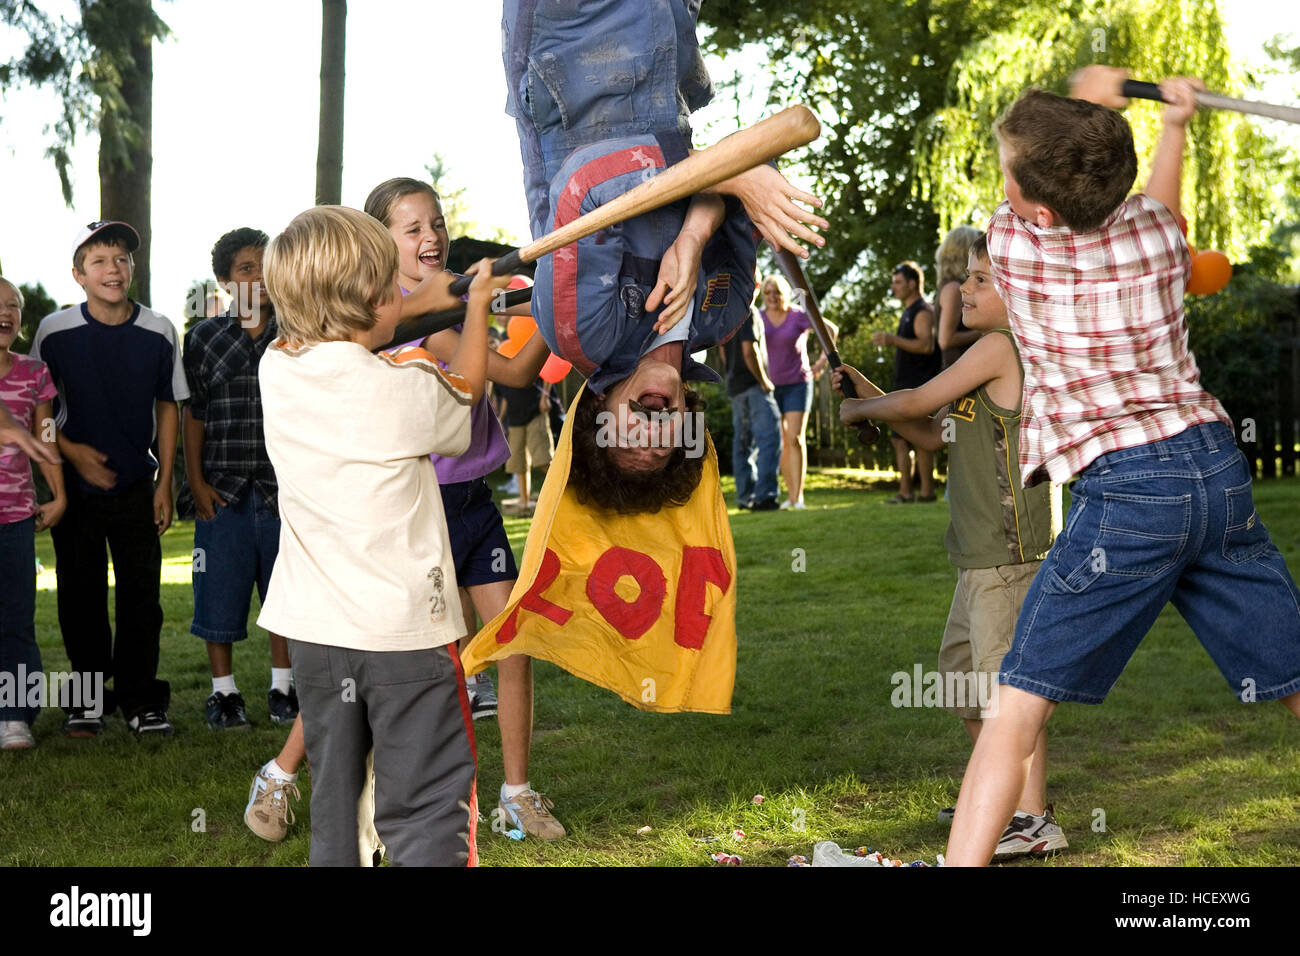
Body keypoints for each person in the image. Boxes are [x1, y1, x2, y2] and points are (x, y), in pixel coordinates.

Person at [944, 70, 1300, 866]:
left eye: (1008, 169)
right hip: (1216, 475)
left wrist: (1094, 93)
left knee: (1017, 703)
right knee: (1292, 668)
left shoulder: (1015, 248)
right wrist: (1170, 122)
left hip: (1128, 492)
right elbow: (1150, 199)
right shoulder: (1158, 236)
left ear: (1034, 208)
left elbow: (1057, 187)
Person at [503, 0, 826, 516]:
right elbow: (747, 204)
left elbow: (588, 188)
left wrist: (732, 174)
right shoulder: (721, 316)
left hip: (574, 45)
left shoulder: (580, 333)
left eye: (623, 441)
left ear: (595, 418)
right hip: (666, 47)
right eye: (664, 447)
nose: (649, 435)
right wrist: (695, 235)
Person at [256, 204, 495, 866]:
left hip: (316, 637)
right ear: (374, 296)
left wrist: (421, 298)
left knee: (337, 804)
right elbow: (469, 386)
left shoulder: (277, 369)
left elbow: (340, 330)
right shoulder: (404, 387)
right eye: (392, 279)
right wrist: (473, 305)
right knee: (425, 808)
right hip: (406, 635)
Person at [837, 235, 1066, 859]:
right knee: (961, 682)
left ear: (1018, 294)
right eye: (966, 277)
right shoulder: (983, 360)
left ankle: (1033, 818)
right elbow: (929, 432)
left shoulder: (1001, 349)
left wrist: (864, 409)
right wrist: (862, 388)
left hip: (1008, 554)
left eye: (980, 280)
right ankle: (997, 793)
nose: (963, 289)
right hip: (976, 558)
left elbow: (912, 400)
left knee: (1009, 690)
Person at [32, 221, 188, 738]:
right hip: (76, 489)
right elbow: (42, 410)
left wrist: (165, 480)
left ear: (132, 268)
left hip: (136, 485)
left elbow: (169, 406)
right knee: (80, 595)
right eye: (98, 261)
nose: (112, 269)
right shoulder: (54, 333)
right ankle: (87, 699)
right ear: (78, 275)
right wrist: (71, 452)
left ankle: (143, 700)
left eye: (120, 258)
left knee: (142, 597)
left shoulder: (159, 330)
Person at [180, 228, 296, 731]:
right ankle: (223, 694)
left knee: (286, 592)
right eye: (247, 269)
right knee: (219, 593)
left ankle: (283, 688)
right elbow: (194, 415)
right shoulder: (204, 337)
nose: (261, 277)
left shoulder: (296, 330)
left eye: (266, 266)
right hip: (222, 490)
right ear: (224, 281)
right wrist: (195, 482)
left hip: (283, 488)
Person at [0, 277, 65, 750]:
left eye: (13, 306)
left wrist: (58, 493)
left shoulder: (34, 372)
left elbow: (45, 436)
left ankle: (16, 716)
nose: (6, 312)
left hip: (15, 515)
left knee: (17, 618)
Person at [759, 273, 836, 510]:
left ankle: (798, 497)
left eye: (777, 292)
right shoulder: (759, 317)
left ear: (784, 293)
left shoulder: (798, 316)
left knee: (795, 438)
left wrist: (823, 362)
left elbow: (831, 330)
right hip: (770, 386)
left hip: (798, 384)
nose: (772, 297)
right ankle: (789, 496)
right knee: (782, 440)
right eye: (768, 293)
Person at [872, 261, 940, 503]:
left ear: (913, 283)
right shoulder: (909, 310)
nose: (894, 287)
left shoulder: (923, 311)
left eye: (898, 282)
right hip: (905, 384)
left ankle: (926, 493)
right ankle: (905, 492)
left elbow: (925, 345)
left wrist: (892, 340)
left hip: (919, 385)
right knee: (898, 438)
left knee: (921, 438)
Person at [724, 299, 781, 511]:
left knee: (743, 444)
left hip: (735, 386)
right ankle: (764, 496)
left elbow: (722, 350)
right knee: (769, 438)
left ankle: (745, 496)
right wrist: (764, 381)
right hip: (752, 386)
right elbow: (749, 350)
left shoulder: (728, 311)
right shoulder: (748, 311)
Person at [497, 376, 553, 517]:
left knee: (543, 460)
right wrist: (500, 418)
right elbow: (505, 397)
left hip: (535, 412)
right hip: (515, 418)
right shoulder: (502, 364)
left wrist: (545, 396)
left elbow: (549, 373)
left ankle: (567, 491)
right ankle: (525, 504)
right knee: (518, 464)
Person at [935, 226, 983, 368]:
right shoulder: (953, 289)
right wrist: (983, 331)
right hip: (957, 370)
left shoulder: (950, 285)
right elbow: (945, 339)